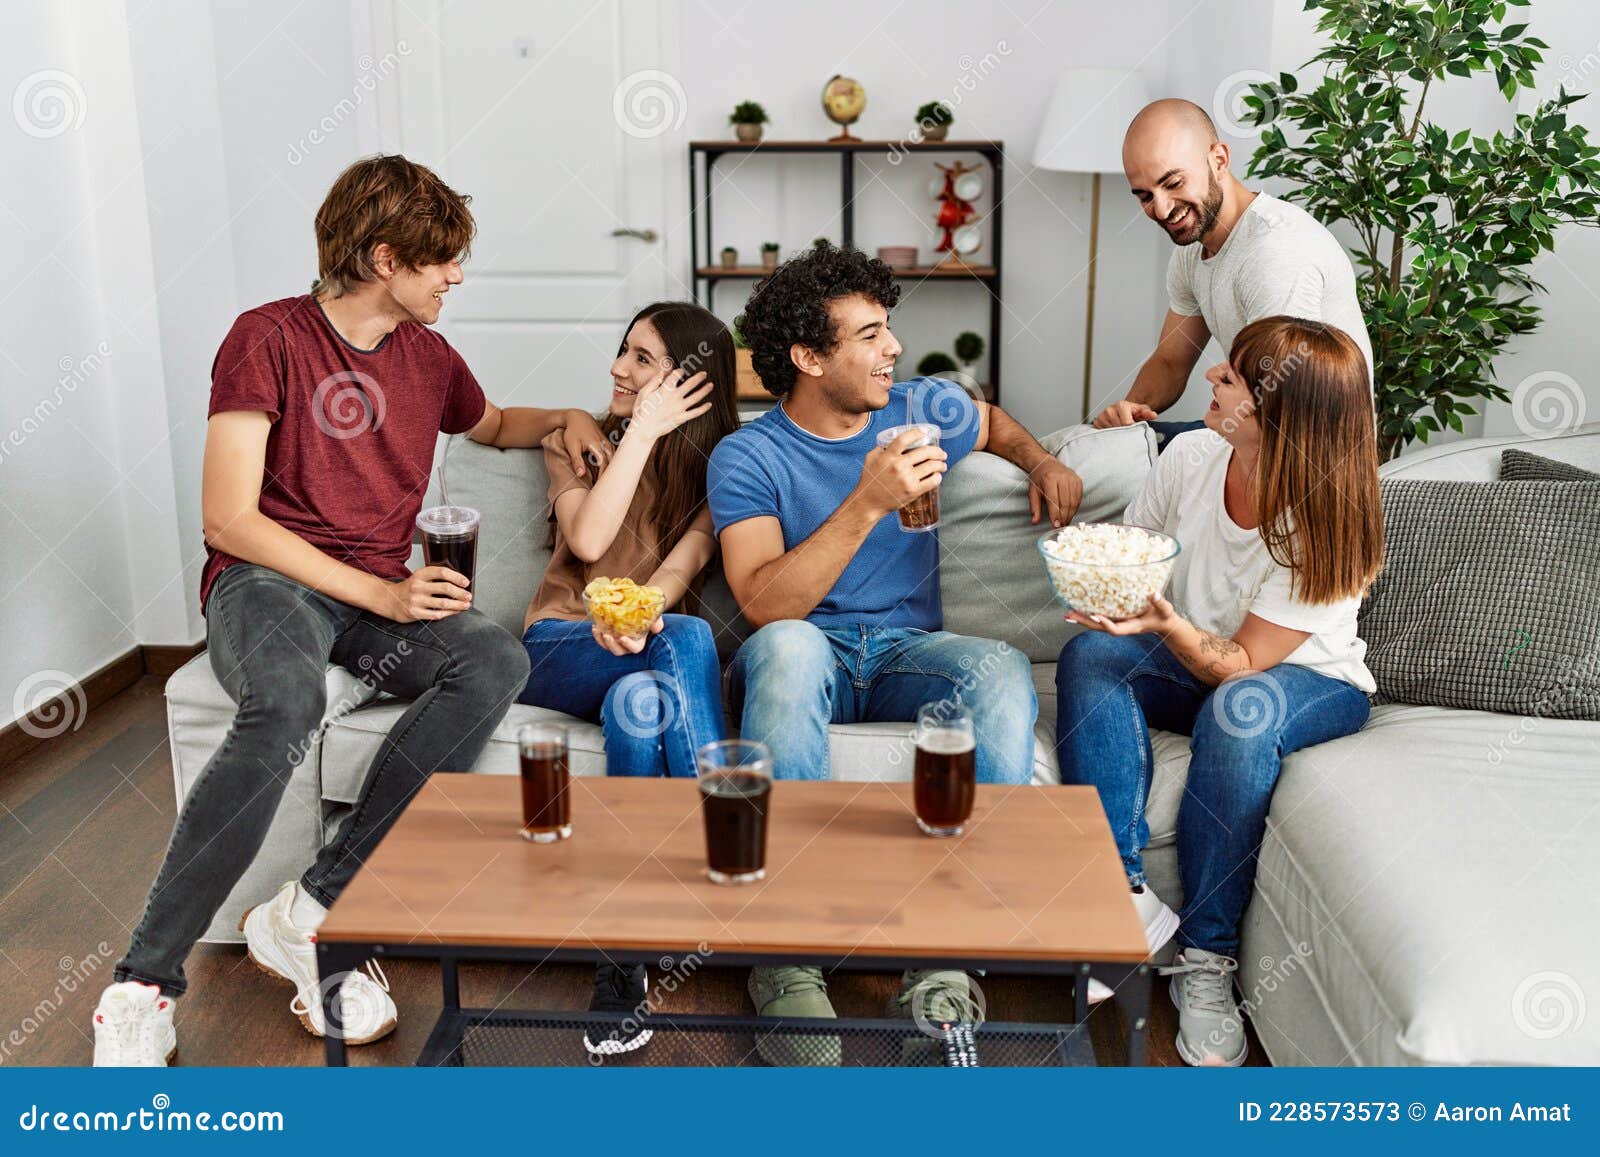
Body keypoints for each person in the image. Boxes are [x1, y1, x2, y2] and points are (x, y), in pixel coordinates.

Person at [92, 155, 613, 1067]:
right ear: (383, 258)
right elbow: (228, 518)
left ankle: (314, 906)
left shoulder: (429, 356)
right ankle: (142, 984)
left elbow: (490, 424)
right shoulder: (268, 338)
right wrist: (379, 591)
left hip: (373, 595)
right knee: (285, 705)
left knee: (491, 658)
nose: (457, 275)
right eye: (442, 260)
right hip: (270, 584)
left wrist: (567, 414)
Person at [707, 241, 1084, 1058]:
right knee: (790, 650)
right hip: (812, 649)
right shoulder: (747, 455)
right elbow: (767, 604)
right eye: (870, 335)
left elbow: (992, 421)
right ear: (809, 357)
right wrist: (869, 499)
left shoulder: (919, 406)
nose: (893, 349)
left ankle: (943, 965)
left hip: (910, 650)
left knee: (1000, 667)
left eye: (889, 330)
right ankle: (787, 960)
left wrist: (1041, 458)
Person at [1056, 316, 1383, 1066]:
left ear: (1279, 413)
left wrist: (1164, 625)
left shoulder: (1326, 517)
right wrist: (1115, 599)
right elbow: (1140, 560)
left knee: (1241, 710)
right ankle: (1123, 896)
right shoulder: (1194, 455)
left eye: (1231, 376)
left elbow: (1242, 662)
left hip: (1304, 682)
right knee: (1091, 654)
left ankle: (1207, 960)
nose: (1210, 377)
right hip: (1202, 654)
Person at [517, 300, 739, 1055]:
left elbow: (684, 566)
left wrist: (640, 616)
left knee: (641, 704)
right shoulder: (575, 441)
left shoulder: (723, 467)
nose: (618, 367)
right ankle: (727, 839)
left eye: (642, 359)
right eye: (623, 351)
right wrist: (640, 427)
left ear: (689, 382)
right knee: (685, 638)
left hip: (641, 646)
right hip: (556, 647)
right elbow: (587, 537)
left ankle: (622, 957)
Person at [1094, 99, 1372, 448]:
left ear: (1219, 161)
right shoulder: (1193, 251)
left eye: (1174, 183)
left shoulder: (1275, 252)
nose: (1162, 209)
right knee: (1100, 452)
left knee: (1118, 469)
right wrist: (1129, 417)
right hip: (1252, 432)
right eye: (1145, 196)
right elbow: (1170, 361)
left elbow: (1282, 403)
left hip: (1305, 455)